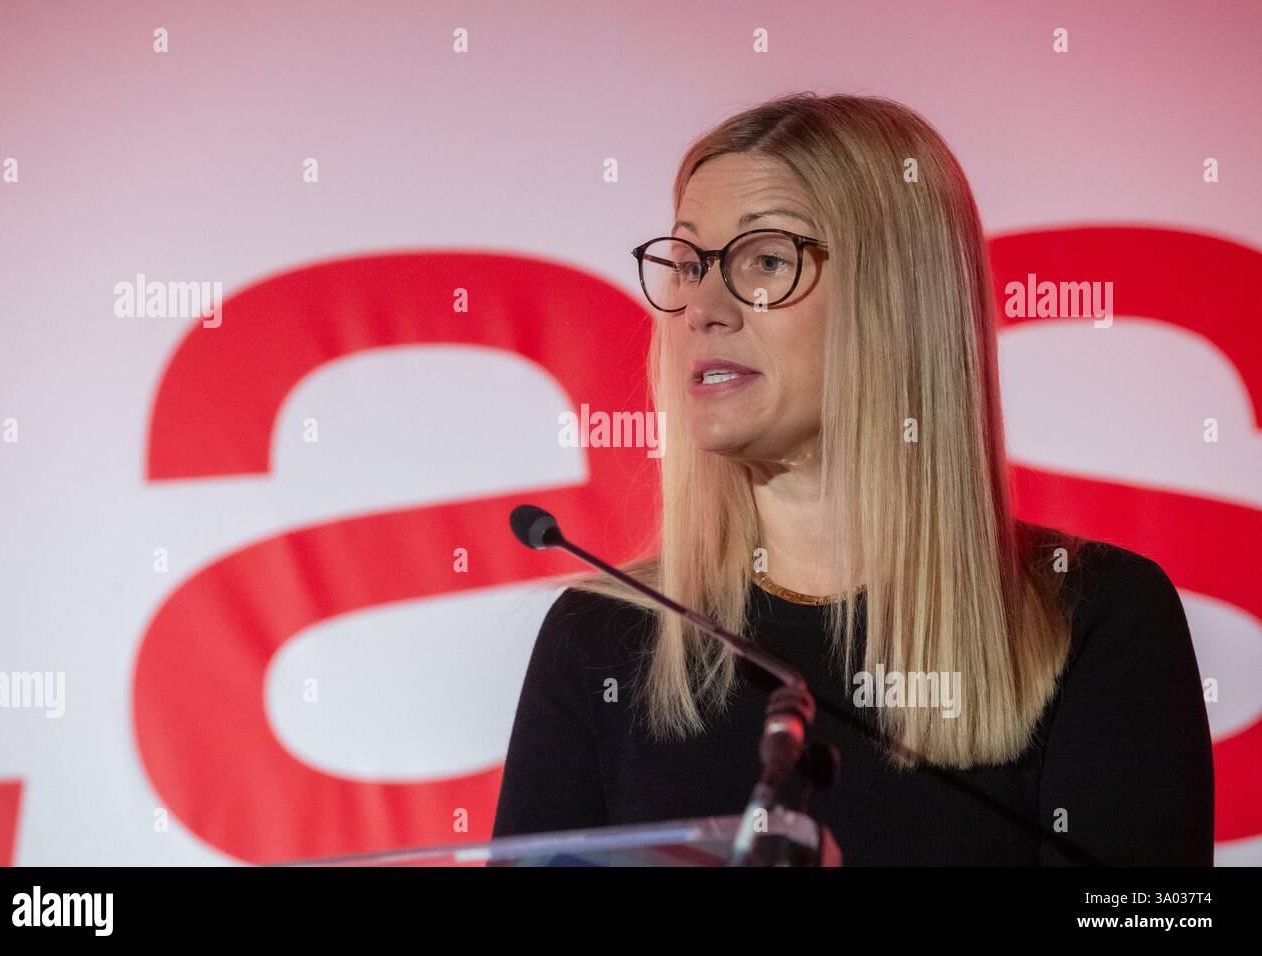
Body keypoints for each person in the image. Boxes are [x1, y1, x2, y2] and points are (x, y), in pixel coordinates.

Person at [491, 92, 1214, 865]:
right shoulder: (599, 640)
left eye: (765, 260)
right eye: (689, 263)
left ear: (897, 301)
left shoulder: (1097, 621)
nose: (701, 306)